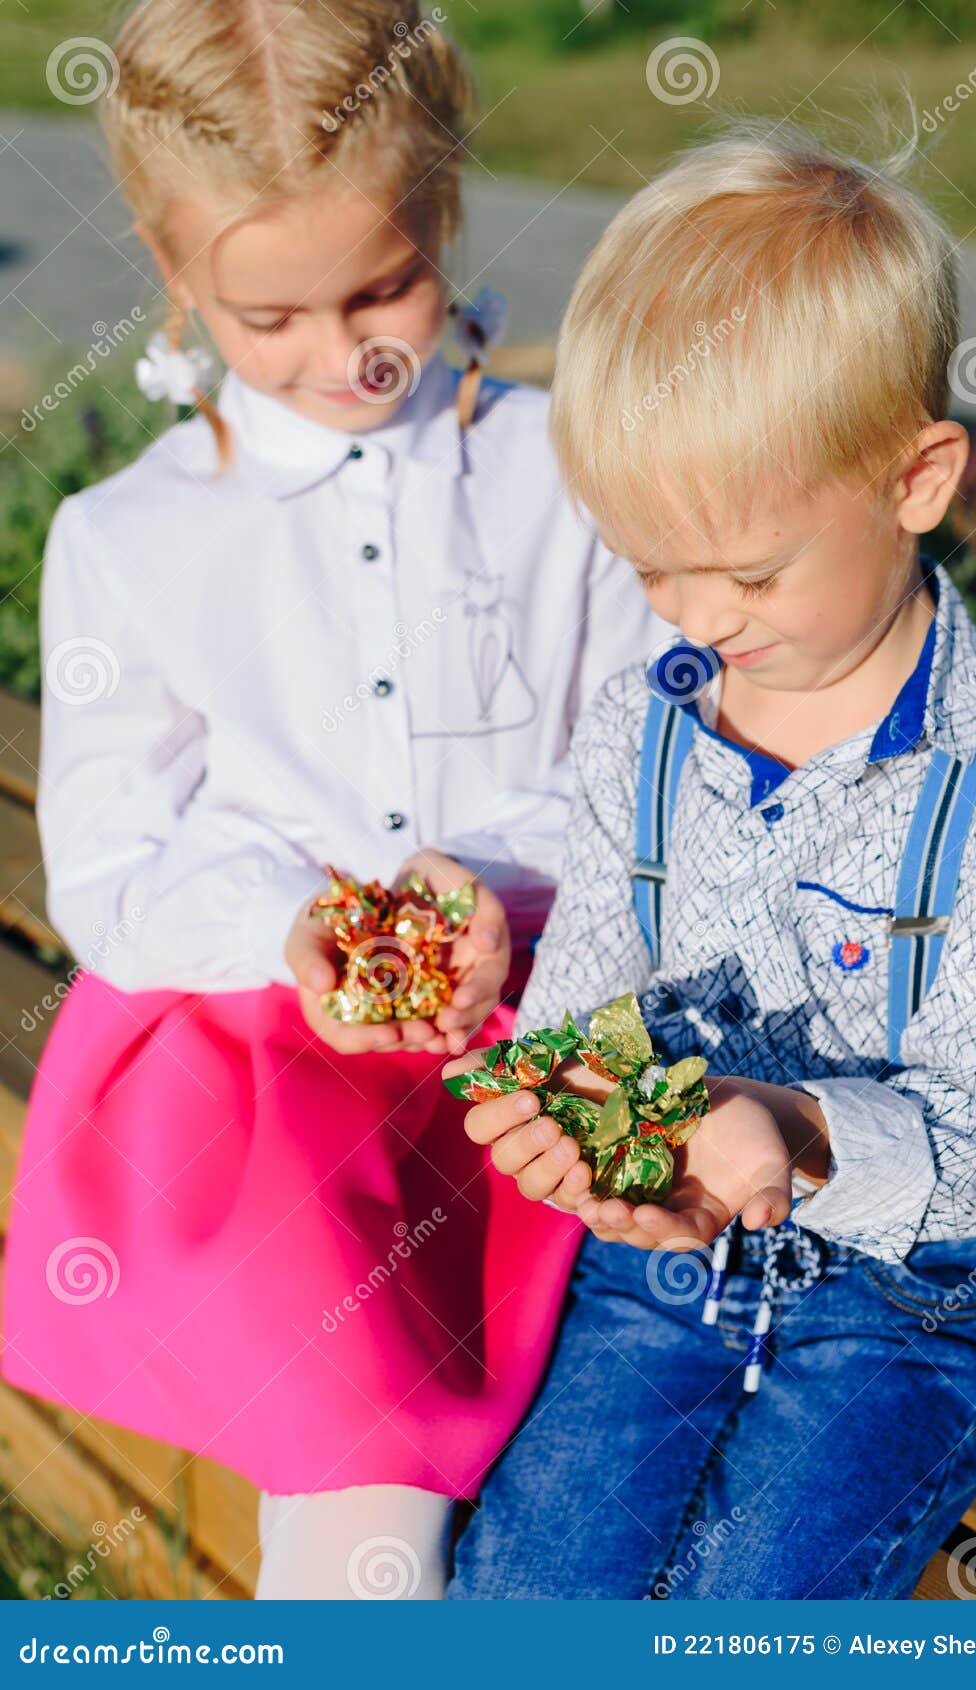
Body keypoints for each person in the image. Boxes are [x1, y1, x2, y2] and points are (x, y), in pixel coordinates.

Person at [0, 0, 658, 1601]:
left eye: (385, 285)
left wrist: (497, 882)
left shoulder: (568, 470)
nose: (344, 349)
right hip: (266, 1073)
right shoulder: (128, 536)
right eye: (268, 313)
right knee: (366, 1489)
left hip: (551, 1026)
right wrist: (299, 923)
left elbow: (649, 766)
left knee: (621, 1451)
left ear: (443, 215)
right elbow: (108, 869)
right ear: (173, 272)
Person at [446, 121, 976, 1600]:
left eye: (746, 572)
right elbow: (584, 1005)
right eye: (650, 564)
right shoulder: (639, 732)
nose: (694, 614)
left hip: (908, 1309)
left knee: (754, 1601)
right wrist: (578, 1122)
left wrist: (789, 1120)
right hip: (663, 1271)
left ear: (917, 478)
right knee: (527, 1591)